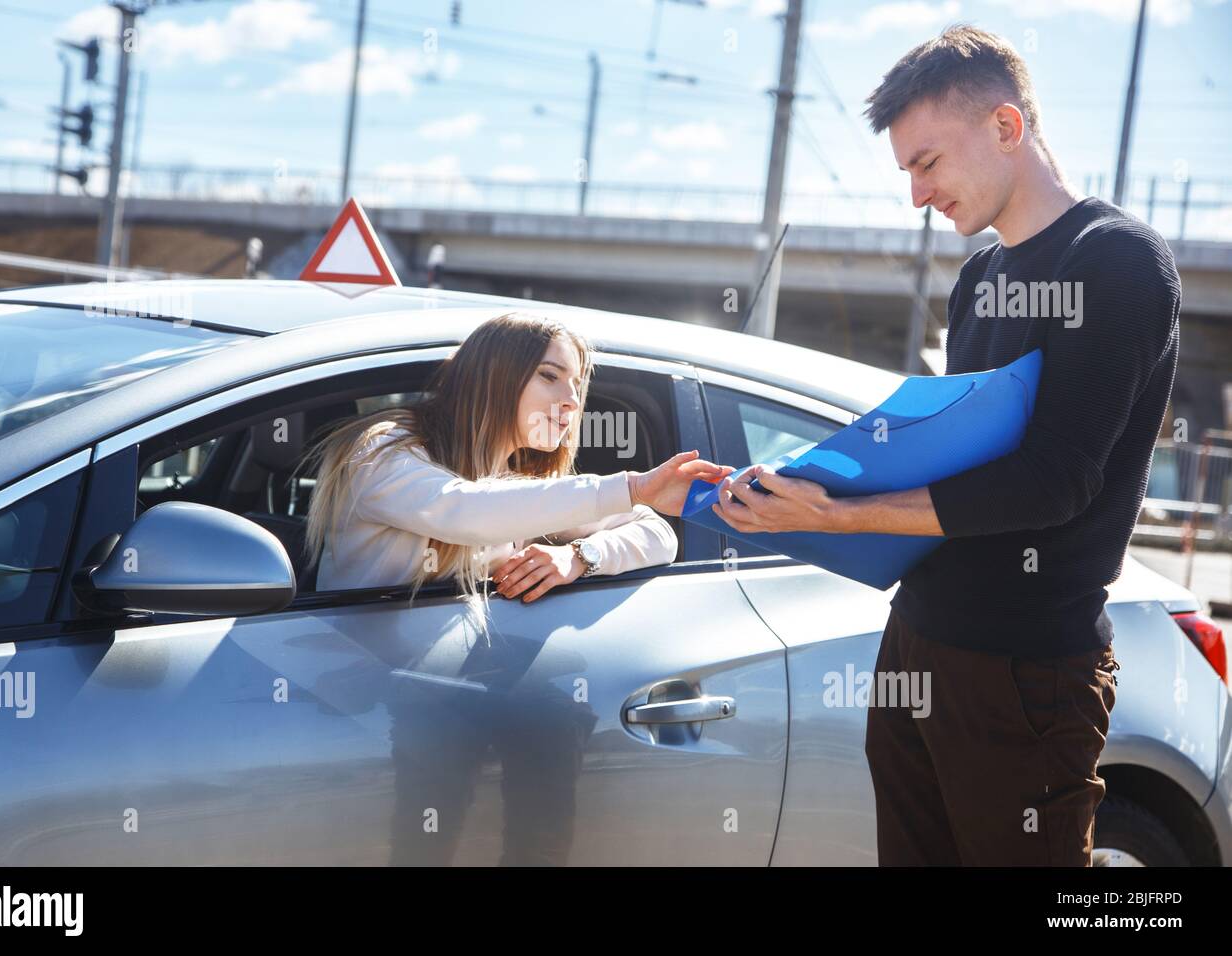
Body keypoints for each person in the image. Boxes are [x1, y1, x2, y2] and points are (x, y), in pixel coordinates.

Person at [710, 25, 1179, 865]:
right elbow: (955, 461)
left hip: (1026, 667)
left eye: (928, 163)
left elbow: (1052, 483)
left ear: (1007, 127)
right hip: (914, 642)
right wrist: (812, 500)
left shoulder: (1120, 262)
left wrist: (845, 517)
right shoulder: (979, 279)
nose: (918, 196)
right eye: (906, 173)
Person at [304, 310, 731, 627]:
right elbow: (464, 512)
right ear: (493, 377)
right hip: (338, 693)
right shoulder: (383, 452)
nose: (571, 400)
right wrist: (634, 486)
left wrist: (580, 557)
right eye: (550, 375)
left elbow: (657, 535)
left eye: (577, 385)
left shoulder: (517, 487)